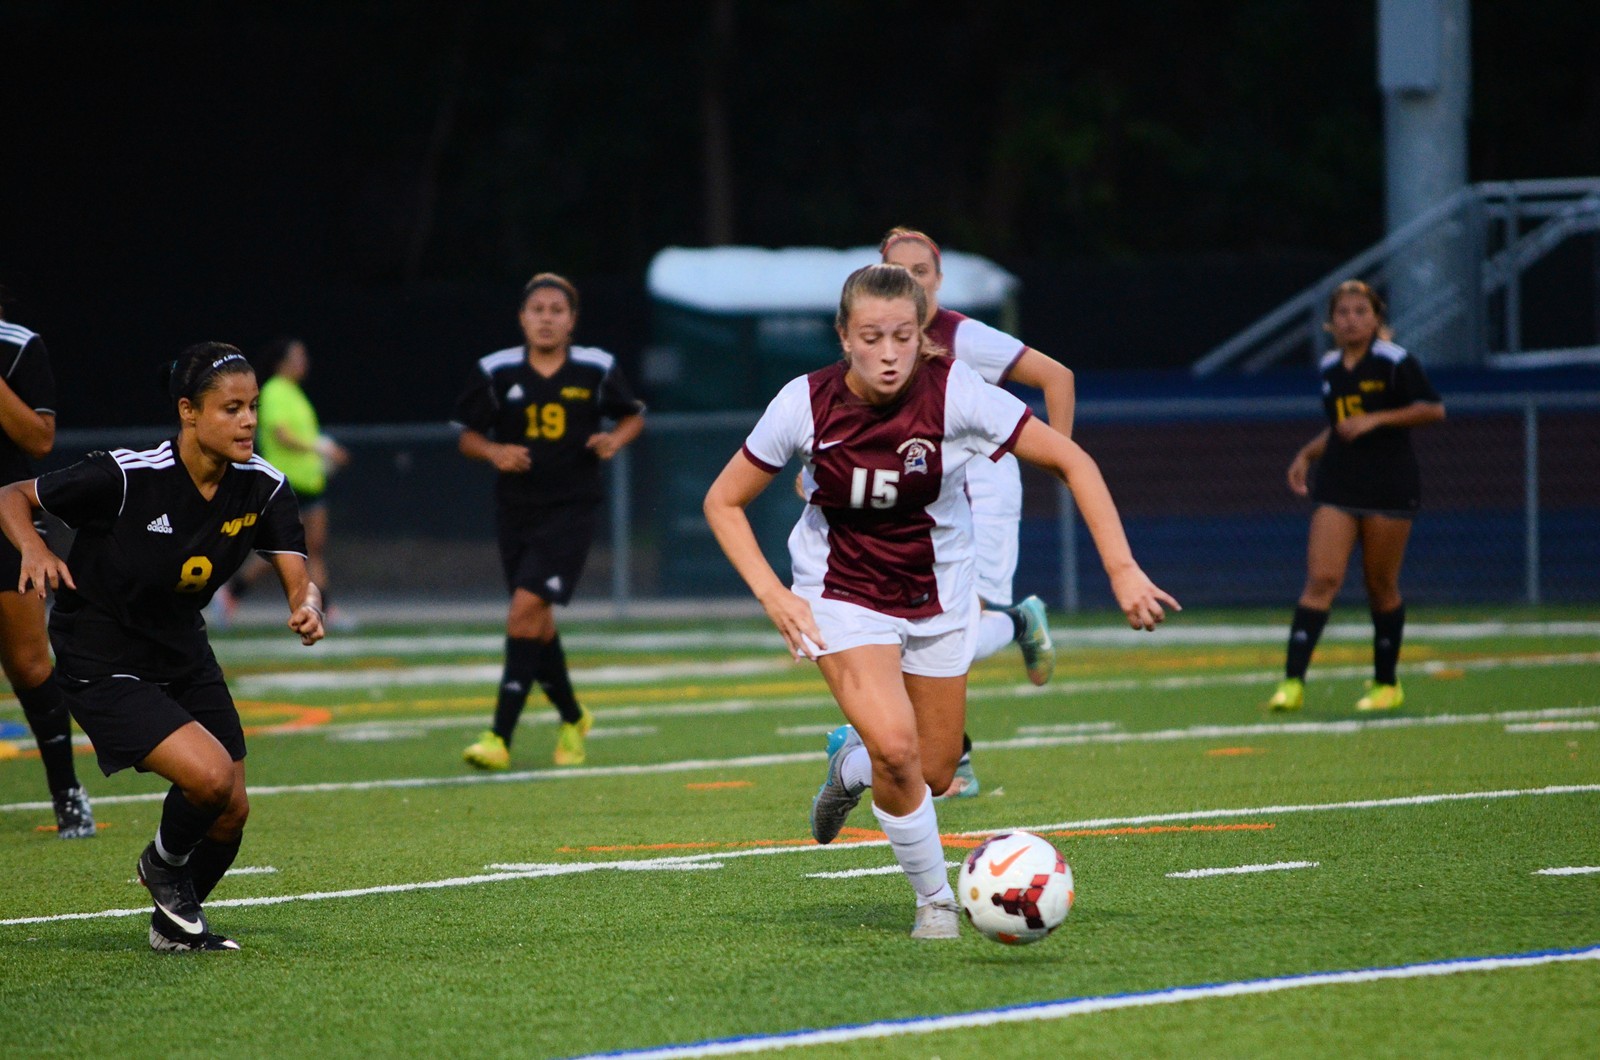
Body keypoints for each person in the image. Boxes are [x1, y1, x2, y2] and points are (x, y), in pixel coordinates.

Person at [703, 264, 1176, 939]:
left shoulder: (957, 392)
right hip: (840, 593)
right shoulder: (803, 403)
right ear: (844, 337)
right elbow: (722, 501)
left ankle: (849, 764)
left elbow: (1074, 461)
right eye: (872, 337)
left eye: (903, 335)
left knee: (935, 768)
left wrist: (1123, 570)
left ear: (923, 335)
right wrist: (773, 593)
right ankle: (935, 903)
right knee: (898, 749)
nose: (890, 352)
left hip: (938, 592)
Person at [0, 342, 325, 952]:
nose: (249, 420)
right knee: (207, 779)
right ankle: (161, 864)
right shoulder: (127, 475)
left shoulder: (263, 485)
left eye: (253, 406)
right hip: (101, 654)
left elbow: (293, 566)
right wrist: (36, 550)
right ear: (189, 412)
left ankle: (175, 925)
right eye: (231, 408)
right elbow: (10, 495)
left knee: (231, 810)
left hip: (181, 650)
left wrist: (303, 603)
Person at [880, 226, 1077, 799]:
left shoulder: (959, 336)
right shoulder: (882, 339)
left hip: (980, 500)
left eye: (921, 272)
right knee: (915, 630)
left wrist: (1061, 458)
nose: (910, 281)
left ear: (938, 281)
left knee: (947, 636)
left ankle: (1015, 625)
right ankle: (953, 756)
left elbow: (1056, 376)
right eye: (898, 272)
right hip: (923, 502)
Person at [456, 273, 644, 771]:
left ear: (572, 320)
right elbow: (467, 436)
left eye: (556, 310)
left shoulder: (595, 367)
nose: (546, 318)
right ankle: (573, 715)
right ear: (522, 317)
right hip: (515, 511)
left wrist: (613, 441)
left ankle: (499, 736)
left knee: (523, 611)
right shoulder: (495, 370)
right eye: (536, 309)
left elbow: (632, 416)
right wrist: (494, 450)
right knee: (535, 622)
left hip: (572, 510)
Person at [1268, 280, 1445, 713]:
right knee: (1321, 579)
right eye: (1343, 312)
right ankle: (1292, 682)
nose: (1352, 319)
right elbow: (1342, 426)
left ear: (1377, 317)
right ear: (1331, 322)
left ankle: (1387, 683)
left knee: (1380, 586)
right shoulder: (1331, 366)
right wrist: (1307, 454)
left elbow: (1432, 409)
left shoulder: (1394, 361)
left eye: (1361, 311)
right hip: (1340, 483)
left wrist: (1376, 420)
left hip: (1389, 486)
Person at [0, 303, 93, 837]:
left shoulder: (18, 345)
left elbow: (39, 439)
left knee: (31, 666)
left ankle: (67, 793)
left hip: (3, 520)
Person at [212, 337, 349, 625]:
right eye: (297, 356)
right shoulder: (274, 391)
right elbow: (281, 434)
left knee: (314, 546)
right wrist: (323, 448)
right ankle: (232, 593)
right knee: (282, 549)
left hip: (310, 482)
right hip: (285, 482)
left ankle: (325, 608)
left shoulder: (296, 394)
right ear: (281, 362)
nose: (304, 362)